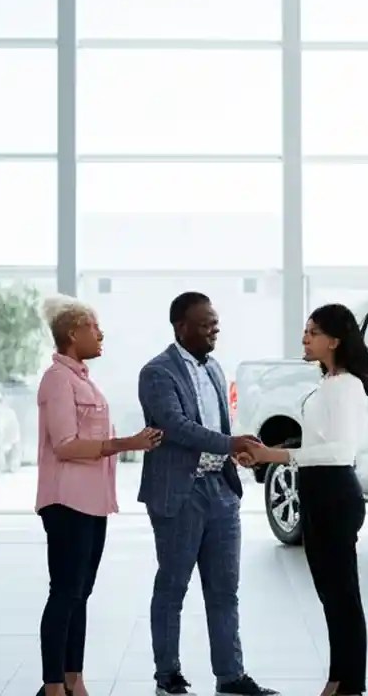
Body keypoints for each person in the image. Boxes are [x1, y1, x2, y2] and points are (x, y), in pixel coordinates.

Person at [136, 292, 279, 696]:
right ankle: (169, 677)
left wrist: (236, 453)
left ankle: (230, 676)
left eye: (215, 323)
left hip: (220, 491)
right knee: (173, 588)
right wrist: (229, 443)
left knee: (224, 591)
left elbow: (217, 424)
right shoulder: (157, 372)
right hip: (180, 494)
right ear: (180, 326)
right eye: (205, 324)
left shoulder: (216, 368)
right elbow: (176, 427)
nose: (214, 330)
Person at [238, 304, 368, 696]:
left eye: (312, 332)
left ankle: (346, 684)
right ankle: (340, 678)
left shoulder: (346, 385)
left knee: (342, 594)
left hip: (335, 493)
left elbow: (338, 451)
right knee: (331, 593)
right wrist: (270, 450)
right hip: (318, 492)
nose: (305, 338)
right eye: (305, 331)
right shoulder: (328, 382)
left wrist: (275, 456)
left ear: (334, 340)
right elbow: (317, 443)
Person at [34, 294, 164, 696]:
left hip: (93, 502)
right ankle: (54, 684)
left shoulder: (83, 378)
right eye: (94, 326)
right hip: (66, 501)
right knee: (65, 591)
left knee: (81, 593)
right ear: (73, 334)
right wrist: (125, 443)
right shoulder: (57, 379)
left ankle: (75, 679)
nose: (101, 333)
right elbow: (66, 445)